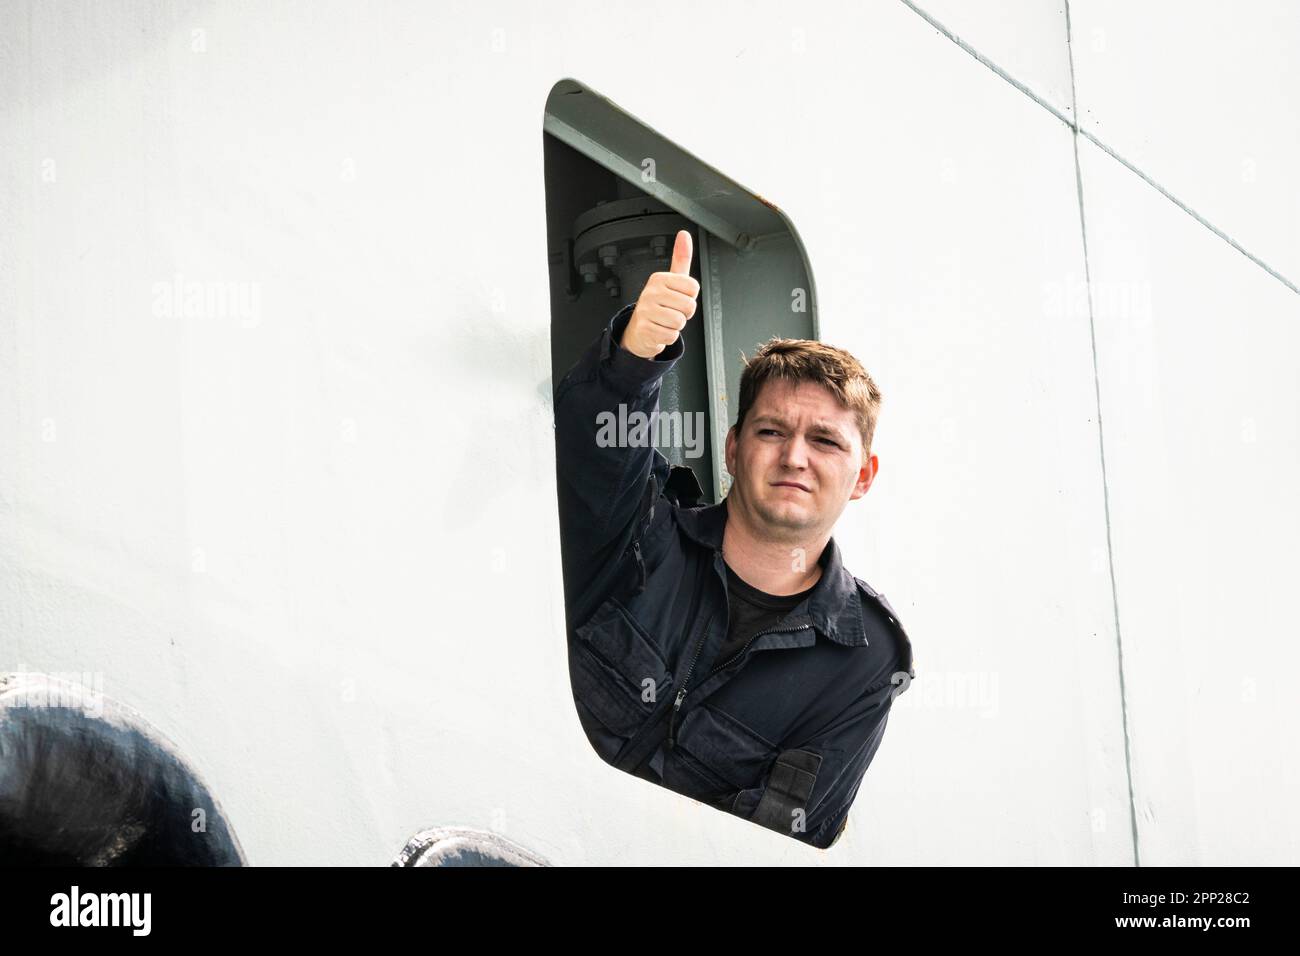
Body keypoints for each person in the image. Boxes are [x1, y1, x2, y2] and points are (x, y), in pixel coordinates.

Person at [555, 230, 914, 849]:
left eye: (825, 441)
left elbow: (777, 848)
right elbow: (595, 454)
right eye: (771, 431)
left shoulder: (864, 660)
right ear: (733, 447)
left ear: (863, 477)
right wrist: (635, 360)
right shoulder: (643, 534)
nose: (795, 457)